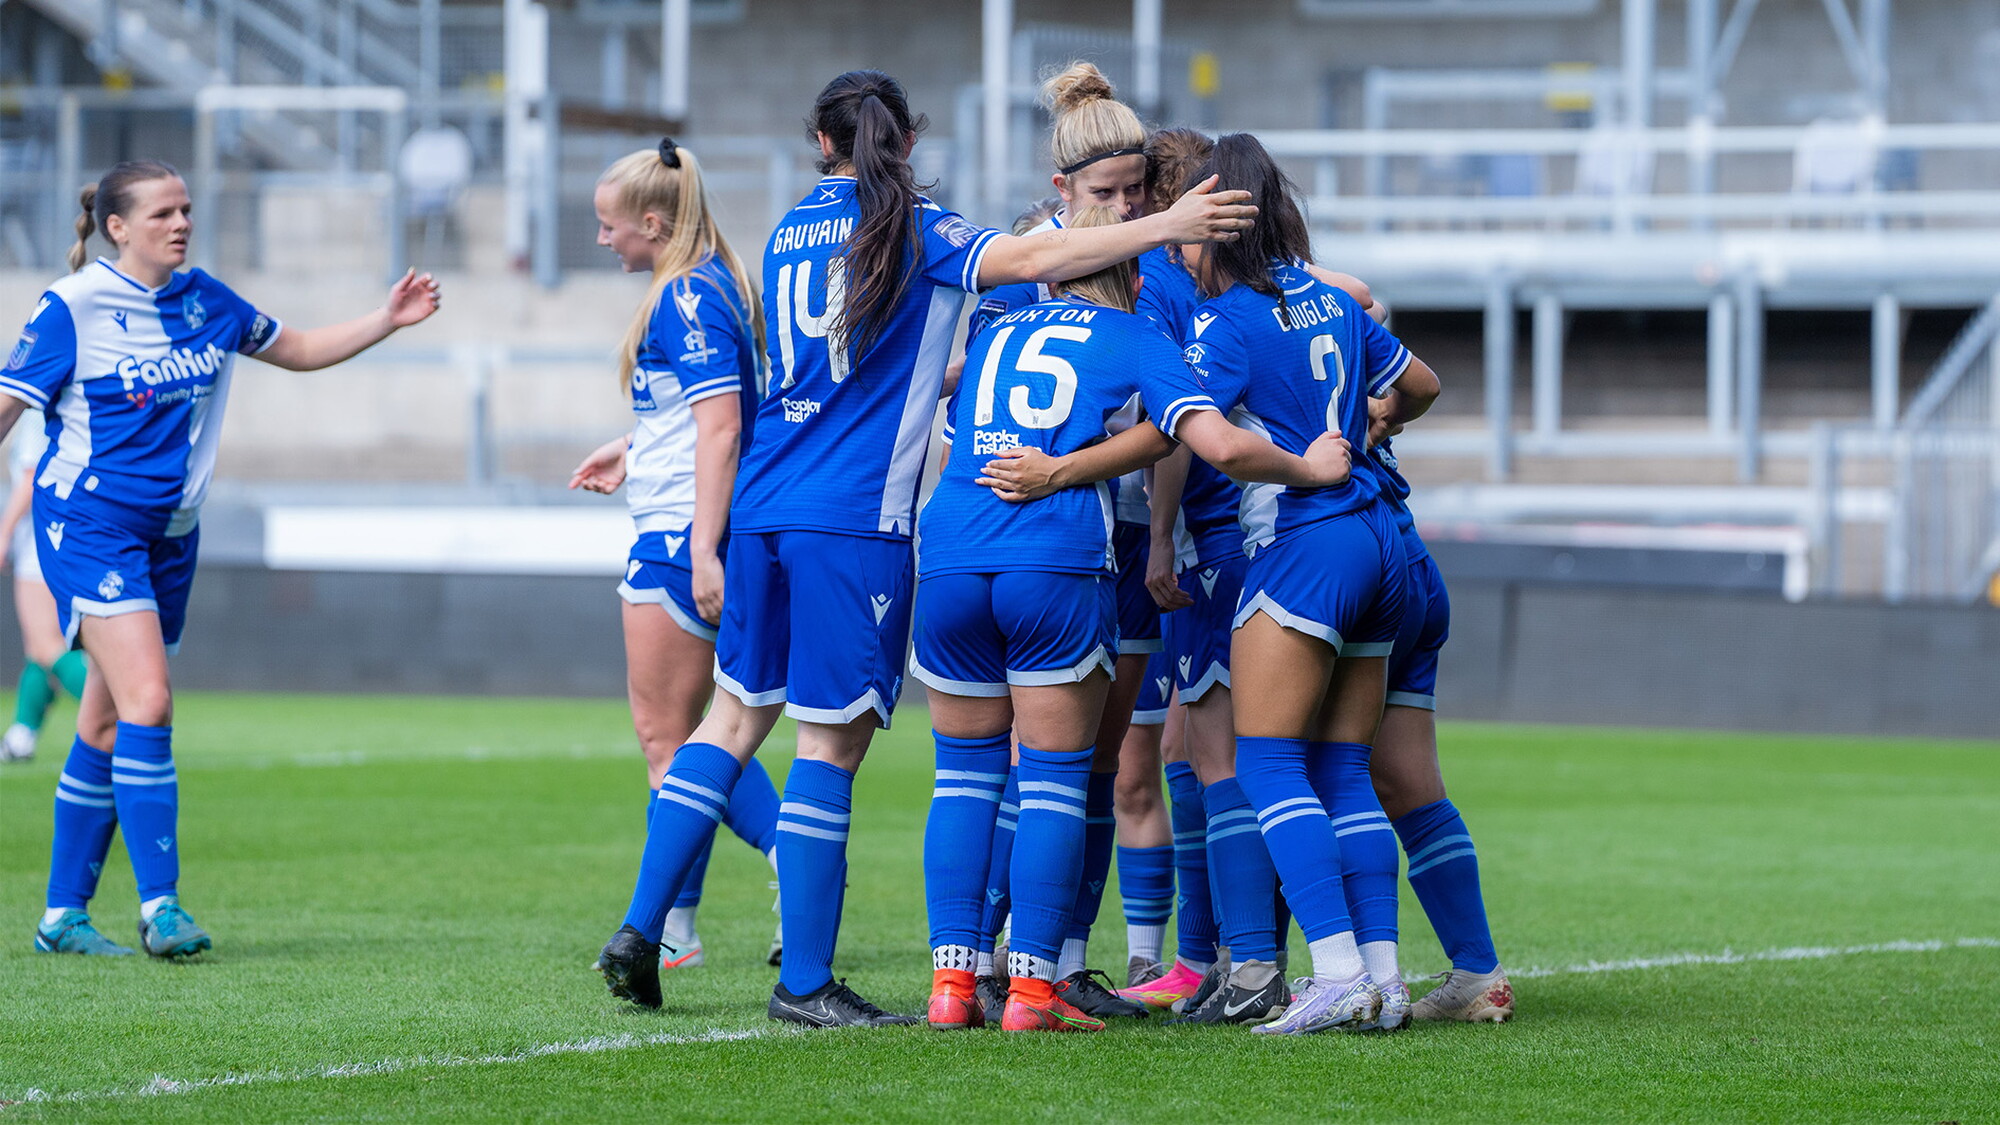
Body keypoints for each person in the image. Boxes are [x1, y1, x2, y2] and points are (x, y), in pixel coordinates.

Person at [592, 69, 1258, 1026]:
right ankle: (811, 982)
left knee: (730, 722)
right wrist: (1164, 224)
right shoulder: (923, 227)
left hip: (766, 501)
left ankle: (640, 924)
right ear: (907, 143)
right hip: (857, 517)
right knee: (830, 746)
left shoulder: (785, 232)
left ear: (822, 146)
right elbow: (1033, 271)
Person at [918, 205, 1356, 1031]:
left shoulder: (992, 335)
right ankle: (1032, 993)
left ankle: (951, 983)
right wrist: (1308, 465)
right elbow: (1206, 442)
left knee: (965, 776)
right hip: (1048, 558)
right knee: (1055, 777)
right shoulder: (1132, 334)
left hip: (947, 552)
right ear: (1129, 270)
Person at [3, 160, 440, 958]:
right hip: (91, 523)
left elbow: (298, 347)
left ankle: (61, 916)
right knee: (149, 699)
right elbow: (7, 406)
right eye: (164, 212)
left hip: (173, 533)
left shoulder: (208, 299)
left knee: (103, 715)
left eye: (187, 209)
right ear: (118, 228)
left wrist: (387, 318)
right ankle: (160, 907)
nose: (181, 223)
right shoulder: (74, 306)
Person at [1166, 134, 1441, 1035]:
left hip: (1305, 542)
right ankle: (1385, 976)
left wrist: (1305, 465)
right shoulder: (1330, 294)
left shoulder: (1228, 319)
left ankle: (1328, 972)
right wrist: (1370, 421)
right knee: (1344, 767)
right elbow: (1425, 384)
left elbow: (1220, 443)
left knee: (1270, 760)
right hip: (1380, 541)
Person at [568, 139, 783, 975]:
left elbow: (722, 424)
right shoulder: (712, 284)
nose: (602, 239)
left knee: (676, 742)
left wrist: (699, 550)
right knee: (702, 732)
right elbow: (707, 412)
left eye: (608, 225)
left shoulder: (686, 296)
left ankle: (780, 858)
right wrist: (634, 443)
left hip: (679, 535)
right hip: (696, 523)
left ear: (653, 224)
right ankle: (680, 927)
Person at [1363, 426, 1514, 1022]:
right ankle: (1477, 968)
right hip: (1411, 557)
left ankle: (1336, 976)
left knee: (1293, 768)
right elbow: (1410, 379)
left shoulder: (1230, 331)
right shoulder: (1350, 330)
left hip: (1348, 555)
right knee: (1407, 782)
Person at [1, 424, 88, 762]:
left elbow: (32, 477)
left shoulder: (38, 408)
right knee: (40, 648)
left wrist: (4, 532)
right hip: (62, 534)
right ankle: (22, 736)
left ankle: (125, 714)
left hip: (42, 538)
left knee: (46, 644)